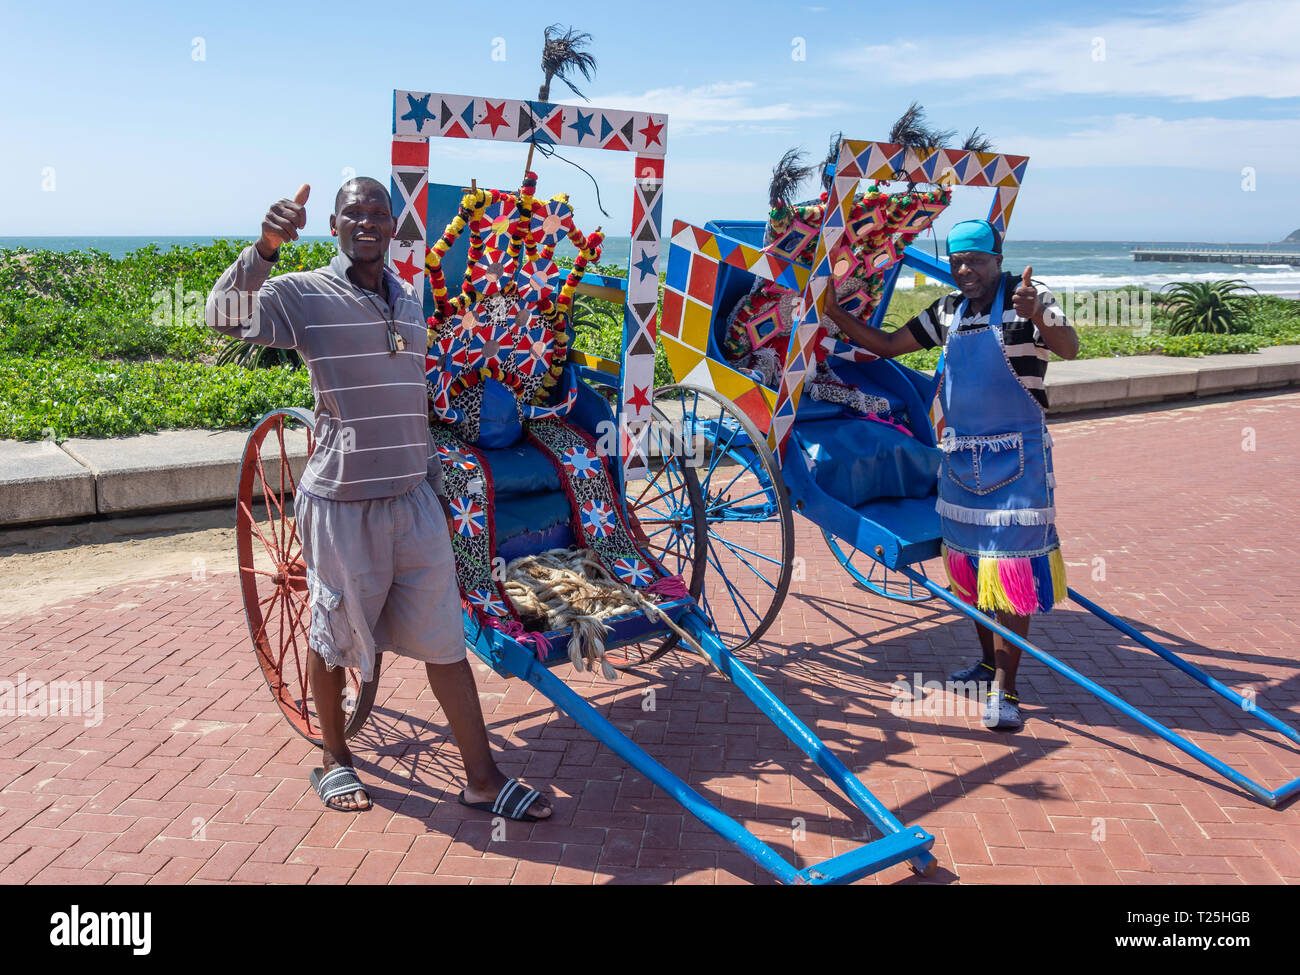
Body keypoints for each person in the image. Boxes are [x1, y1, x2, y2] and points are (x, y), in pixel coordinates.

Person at [205, 178, 552, 819]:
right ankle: (335, 761)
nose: (365, 221)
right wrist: (266, 246)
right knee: (334, 633)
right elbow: (220, 316)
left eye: (376, 213)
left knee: (446, 641)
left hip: (412, 500)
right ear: (333, 225)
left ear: (393, 228)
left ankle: (482, 778)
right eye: (351, 213)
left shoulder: (410, 299)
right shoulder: (301, 292)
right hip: (342, 502)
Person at [822, 218, 1079, 730]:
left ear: (998, 260)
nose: (966, 271)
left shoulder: (1032, 296)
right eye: (958, 262)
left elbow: (1069, 347)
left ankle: (1007, 693)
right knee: (970, 570)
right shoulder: (949, 309)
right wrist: (832, 313)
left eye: (977, 261)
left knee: (1010, 572)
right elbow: (890, 345)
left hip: (1018, 460)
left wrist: (1040, 319)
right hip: (961, 459)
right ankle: (987, 665)